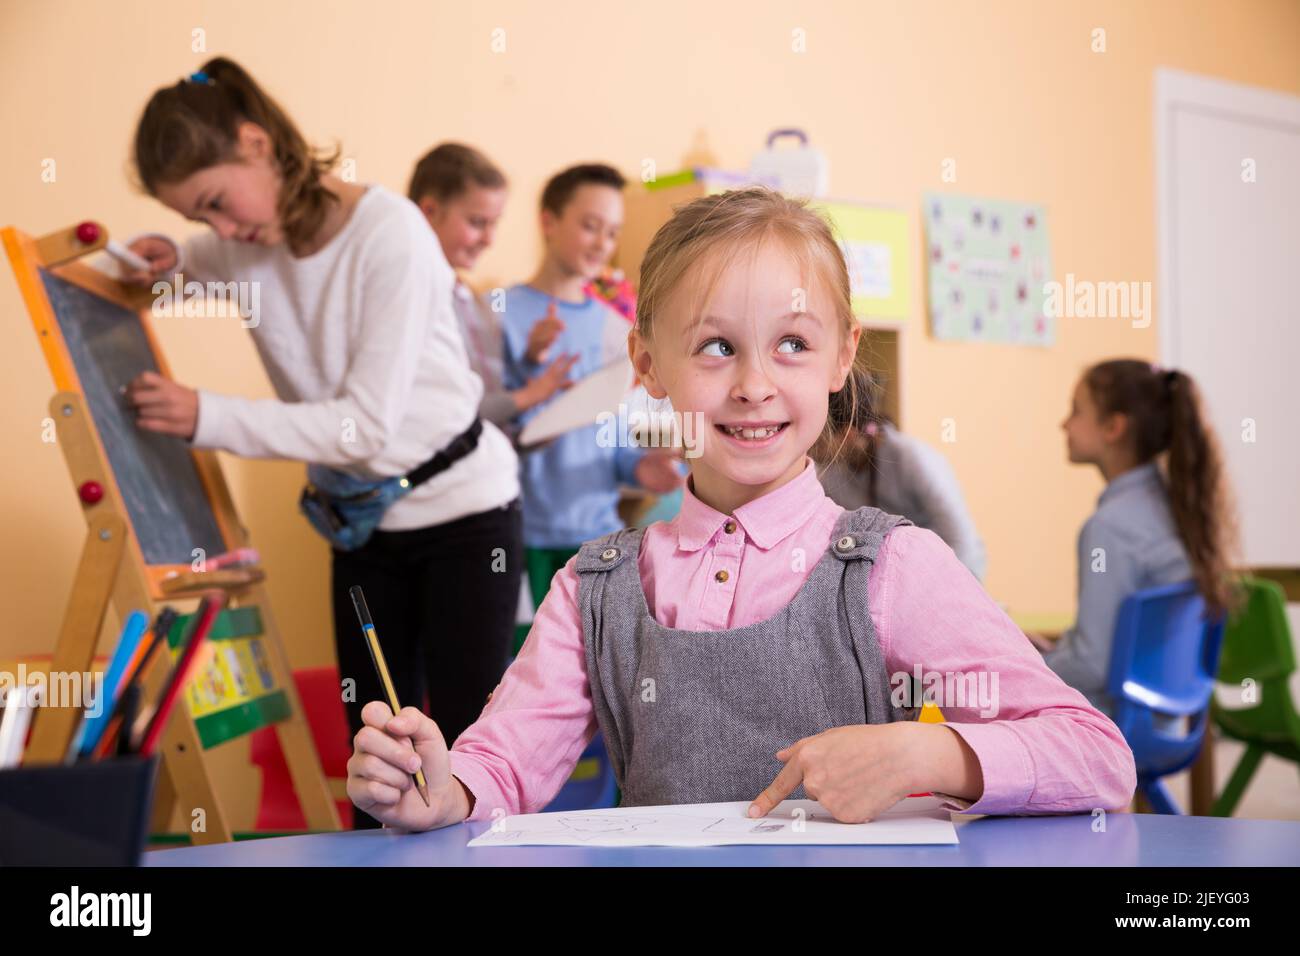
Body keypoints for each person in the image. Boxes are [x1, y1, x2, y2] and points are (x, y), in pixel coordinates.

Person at [346, 187, 1136, 830]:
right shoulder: (593, 588)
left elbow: (1097, 756)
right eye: (716, 347)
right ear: (649, 366)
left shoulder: (895, 565)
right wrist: (442, 788)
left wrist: (927, 755)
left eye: (792, 343)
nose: (754, 384)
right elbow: (501, 765)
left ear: (843, 356)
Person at [121, 58, 523, 828]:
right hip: (365, 525)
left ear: (257, 142)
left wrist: (203, 413)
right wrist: (166, 259)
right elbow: (197, 263)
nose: (221, 230)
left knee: (465, 751)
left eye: (214, 202)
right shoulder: (238, 244)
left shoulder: (391, 233)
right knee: (373, 756)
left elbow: (364, 428)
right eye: (199, 218)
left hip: (466, 517)